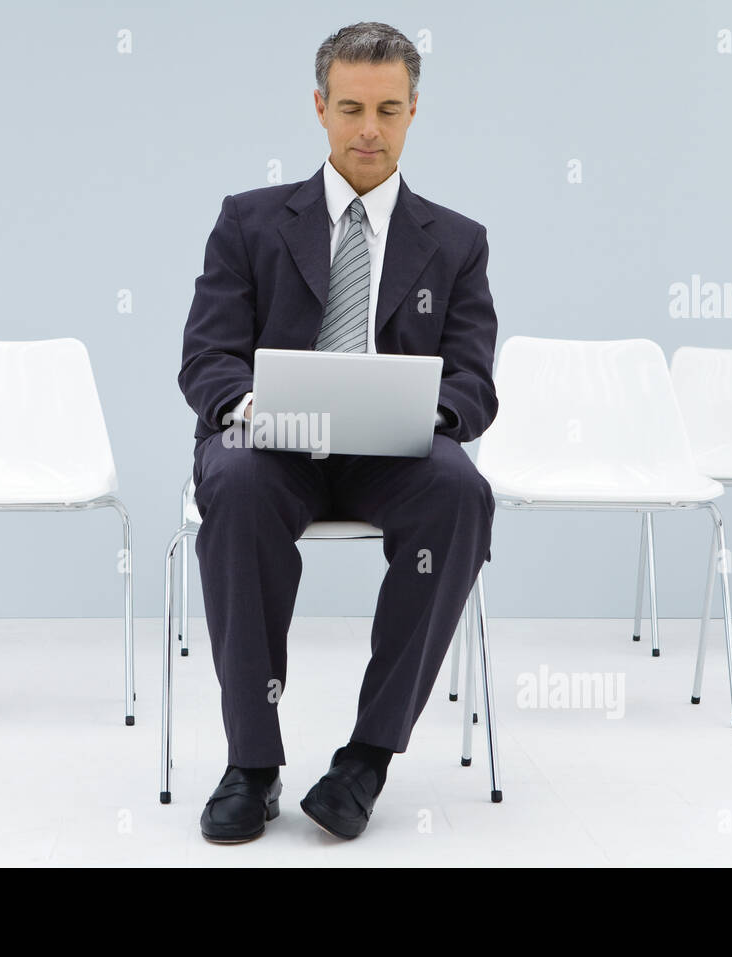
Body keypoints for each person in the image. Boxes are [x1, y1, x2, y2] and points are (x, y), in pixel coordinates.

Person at [178, 21, 499, 843]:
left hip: (390, 454)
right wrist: (250, 408)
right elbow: (207, 358)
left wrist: (420, 411)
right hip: (274, 446)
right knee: (238, 480)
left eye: (389, 109)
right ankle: (252, 764)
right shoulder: (248, 222)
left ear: (414, 113)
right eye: (351, 107)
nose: (369, 129)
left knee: (461, 490)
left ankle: (365, 759)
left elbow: (473, 381)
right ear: (319, 107)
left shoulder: (456, 242)